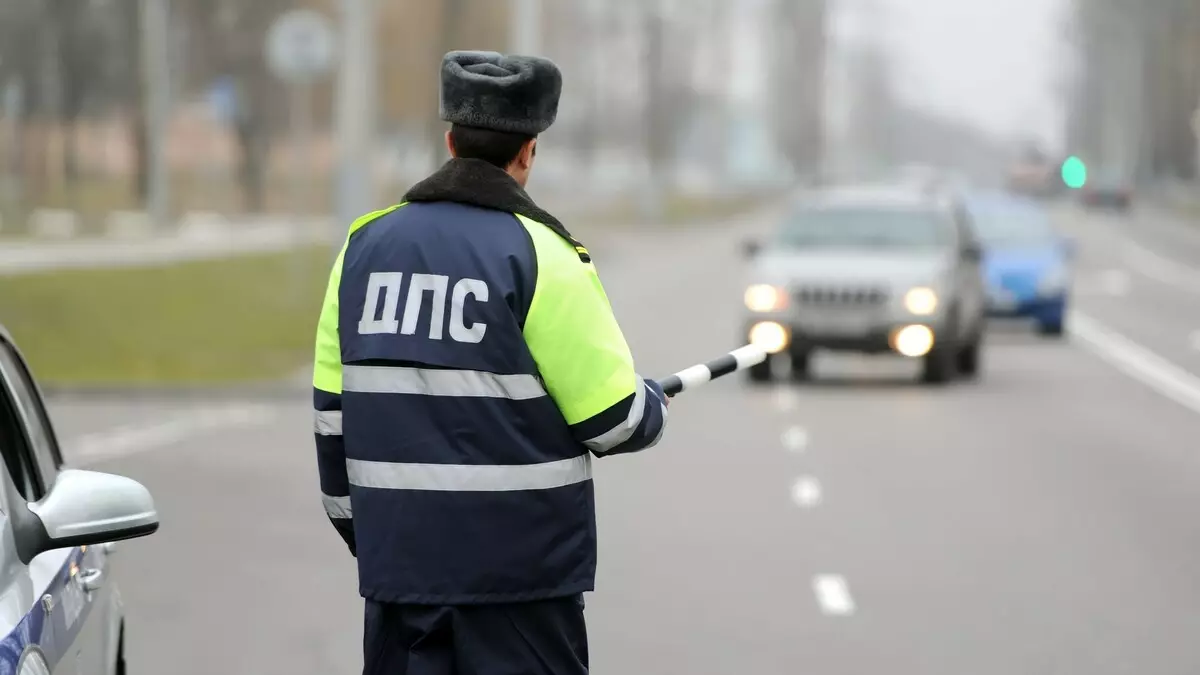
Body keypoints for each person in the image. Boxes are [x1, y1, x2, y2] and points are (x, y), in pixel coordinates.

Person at [311, 50, 670, 675]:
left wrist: (372, 538)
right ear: (528, 151)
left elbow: (332, 419)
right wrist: (652, 409)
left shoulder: (362, 248)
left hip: (399, 577)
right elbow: (614, 420)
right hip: (520, 587)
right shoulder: (546, 255)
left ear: (449, 139)